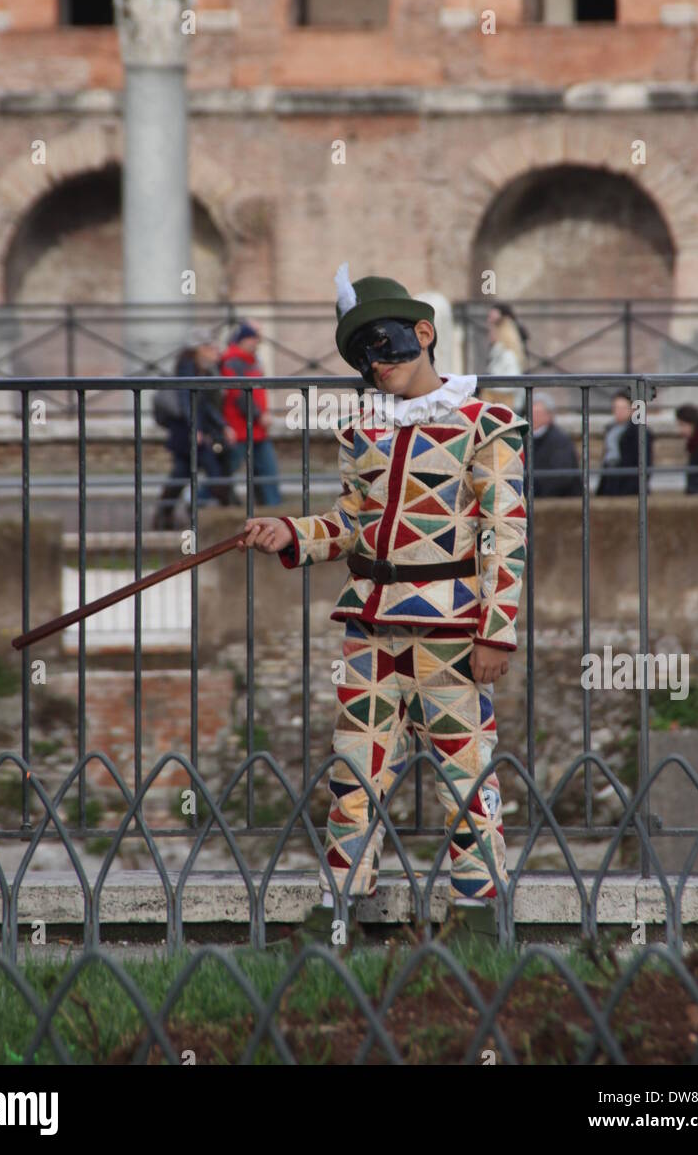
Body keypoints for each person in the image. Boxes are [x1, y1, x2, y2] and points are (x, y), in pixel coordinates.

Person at [239, 266, 528, 943]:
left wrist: (498, 632)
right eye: (364, 354)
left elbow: (504, 535)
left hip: (453, 631)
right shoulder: (361, 432)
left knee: (466, 772)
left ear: (424, 334)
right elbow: (350, 523)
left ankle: (482, 916)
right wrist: (292, 533)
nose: (378, 362)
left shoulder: (487, 425)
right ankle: (338, 909)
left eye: (390, 344)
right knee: (354, 771)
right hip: (369, 629)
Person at [152, 333, 237, 529]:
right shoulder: (187, 368)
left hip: (193, 432)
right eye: (210, 348)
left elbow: (206, 405)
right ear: (199, 349)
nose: (214, 352)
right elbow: (186, 400)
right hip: (188, 433)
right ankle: (230, 514)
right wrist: (194, 428)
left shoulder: (203, 370)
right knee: (212, 471)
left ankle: (164, 516)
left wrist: (222, 426)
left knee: (181, 474)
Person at [220, 322, 281, 507]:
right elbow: (238, 394)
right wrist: (258, 415)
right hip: (240, 428)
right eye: (254, 338)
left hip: (256, 429)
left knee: (266, 472)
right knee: (226, 472)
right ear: (243, 339)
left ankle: (273, 510)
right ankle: (200, 500)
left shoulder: (252, 360)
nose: (257, 343)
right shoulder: (231, 361)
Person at [596, 388, 654, 496]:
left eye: (623, 408)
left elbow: (645, 463)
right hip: (610, 484)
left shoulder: (640, 431)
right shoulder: (610, 430)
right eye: (616, 408)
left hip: (630, 489)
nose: (619, 412)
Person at [531, 391, 582, 497]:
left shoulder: (561, 440)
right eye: (532, 413)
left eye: (538, 413)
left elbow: (562, 476)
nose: (534, 417)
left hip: (557, 499)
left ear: (549, 416)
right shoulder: (524, 438)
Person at [479, 303, 528, 413]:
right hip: (500, 405)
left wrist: (488, 387)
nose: (489, 332)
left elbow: (512, 381)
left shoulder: (507, 354)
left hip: (506, 406)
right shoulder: (498, 352)